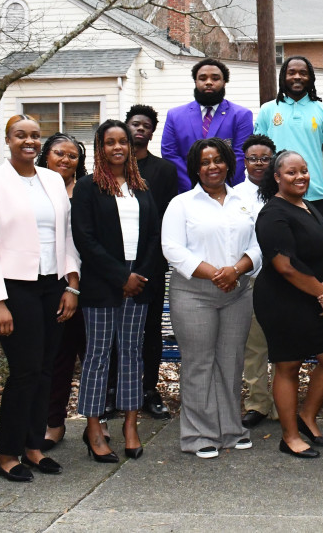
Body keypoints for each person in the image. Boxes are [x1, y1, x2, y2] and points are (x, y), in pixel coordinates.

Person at [0, 114, 81, 482]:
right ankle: (6, 452)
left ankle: (33, 447)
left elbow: (67, 236)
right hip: (14, 287)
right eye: (21, 135)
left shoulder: (52, 179)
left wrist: (71, 285)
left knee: (47, 368)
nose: (29, 141)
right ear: (8, 140)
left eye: (35, 135)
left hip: (54, 284)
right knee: (25, 370)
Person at [163, 138, 259, 458]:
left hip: (237, 292)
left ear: (229, 163)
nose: (212, 166)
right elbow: (172, 248)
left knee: (231, 363)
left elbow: (260, 244)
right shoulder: (182, 204)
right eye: (204, 162)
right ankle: (198, 434)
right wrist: (216, 273)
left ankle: (231, 429)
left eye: (218, 160)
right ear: (196, 168)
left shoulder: (245, 201)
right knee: (199, 364)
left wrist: (236, 271)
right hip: (194, 294)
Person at [73, 121, 162, 462]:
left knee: (131, 355)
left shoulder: (141, 187)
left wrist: (139, 275)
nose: (117, 147)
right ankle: (95, 427)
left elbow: (154, 235)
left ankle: (130, 424)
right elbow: (85, 239)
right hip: (102, 284)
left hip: (138, 282)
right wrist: (118, 277)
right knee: (97, 357)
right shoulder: (87, 187)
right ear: (100, 147)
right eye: (109, 142)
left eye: (122, 141)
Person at [253, 150, 323, 458]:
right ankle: (289, 435)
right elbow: (285, 266)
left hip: (316, 293)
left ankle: (307, 416)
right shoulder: (273, 213)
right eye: (291, 172)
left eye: (304, 171)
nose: (300, 177)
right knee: (288, 365)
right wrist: (322, 292)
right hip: (283, 300)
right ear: (277, 177)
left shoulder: (310, 207)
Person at [125, 104, 180, 420]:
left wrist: (147, 265)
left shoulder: (164, 170)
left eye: (146, 124)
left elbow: (164, 221)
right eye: (135, 123)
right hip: (115, 267)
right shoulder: (110, 171)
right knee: (117, 333)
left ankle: (149, 390)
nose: (140, 128)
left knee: (149, 331)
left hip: (151, 263)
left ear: (152, 131)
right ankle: (116, 390)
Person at [40, 135, 91, 449]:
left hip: (92, 282)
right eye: (59, 153)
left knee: (94, 356)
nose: (65, 159)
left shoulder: (87, 189)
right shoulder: (35, 188)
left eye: (72, 155)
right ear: (46, 155)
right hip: (52, 282)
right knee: (58, 357)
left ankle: (94, 423)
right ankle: (53, 421)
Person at [255, 56, 323, 220]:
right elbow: (262, 156)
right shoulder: (267, 110)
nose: (297, 77)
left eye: (303, 73)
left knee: (316, 245)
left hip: (315, 197)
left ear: (310, 78)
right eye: (291, 72)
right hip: (278, 195)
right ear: (283, 77)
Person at [161, 58, 253, 193]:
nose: (209, 82)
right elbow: (170, 154)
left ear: (224, 83)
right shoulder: (175, 115)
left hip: (228, 192)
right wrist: (194, 186)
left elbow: (240, 155)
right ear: (195, 82)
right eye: (203, 78)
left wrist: (218, 186)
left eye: (215, 78)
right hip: (187, 192)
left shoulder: (241, 115)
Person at [234, 134, 276, 429]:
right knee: (255, 346)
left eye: (265, 158)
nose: (259, 164)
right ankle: (258, 403)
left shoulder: (287, 189)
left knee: (286, 343)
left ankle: (283, 402)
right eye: (253, 158)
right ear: (244, 161)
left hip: (284, 280)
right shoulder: (234, 195)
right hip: (250, 280)